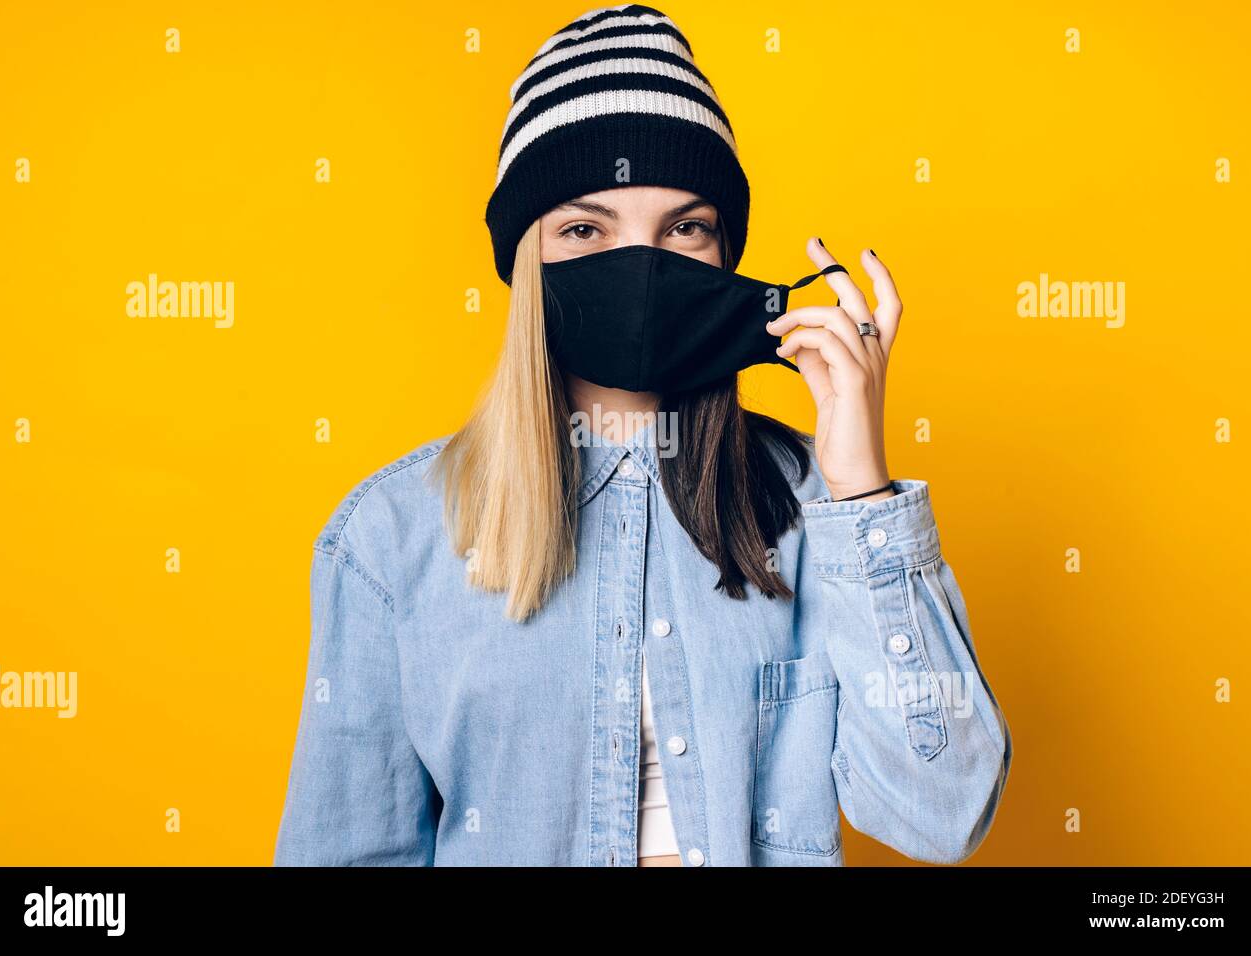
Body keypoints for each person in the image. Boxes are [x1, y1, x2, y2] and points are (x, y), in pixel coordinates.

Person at [274, 3, 1011, 867]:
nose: (643, 263)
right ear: (526, 263)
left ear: (724, 256)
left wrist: (860, 487)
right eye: (585, 229)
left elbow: (943, 814)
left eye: (685, 229)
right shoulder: (390, 539)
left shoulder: (819, 507)